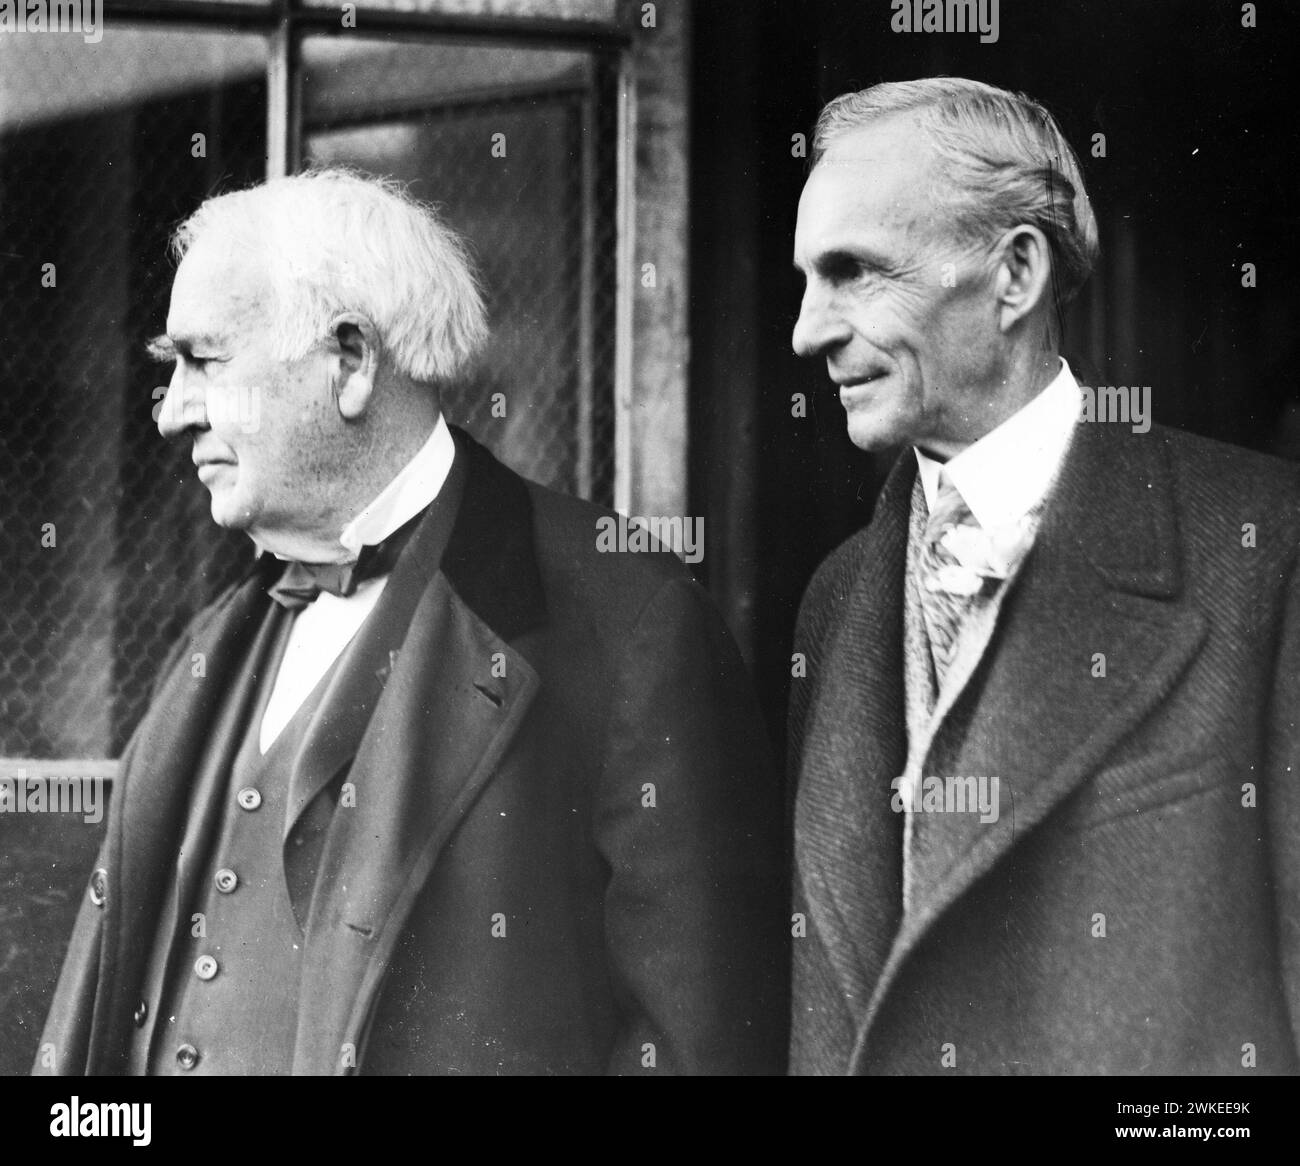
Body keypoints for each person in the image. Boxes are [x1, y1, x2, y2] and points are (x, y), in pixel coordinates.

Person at [35, 168, 787, 1076]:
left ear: (351, 360)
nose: (171, 413)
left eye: (204, 362)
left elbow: (698, 1042)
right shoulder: (215, 643)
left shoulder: (625, 617)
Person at [787, 77, 1300, 1074]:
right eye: (807, 281)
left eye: (855, 272)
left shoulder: (1263, 547)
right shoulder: (836, 595)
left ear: (1014, 273)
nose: (808, 331)